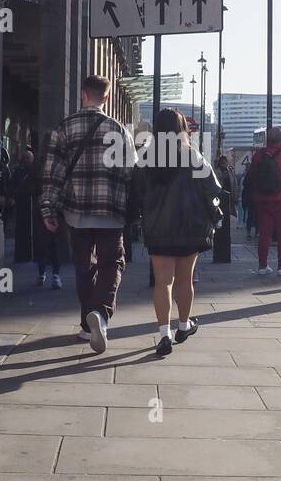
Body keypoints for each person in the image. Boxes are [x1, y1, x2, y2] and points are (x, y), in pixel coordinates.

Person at [40, 75, 136, 353]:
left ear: (83, 94)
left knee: (84, 266)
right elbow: (130, 173)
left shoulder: (64, 127)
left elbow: (52, 173)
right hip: (110, 211)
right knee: (112, 263)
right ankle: (101, 315)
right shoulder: (119, 130)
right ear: (106, 98)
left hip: (76, 211)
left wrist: (48, 208)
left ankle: (86, 324)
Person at [134, 110, 226, 357]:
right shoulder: (193, 155)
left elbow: (137, 191)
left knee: (163, 282)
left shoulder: (146, 157)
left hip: (158, 228)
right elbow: (214, 188)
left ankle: (164, 334)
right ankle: (183, 326)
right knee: (186, 280)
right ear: (182, 128)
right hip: (190, 227)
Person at [249, 127, 281, 276]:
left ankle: (262, 266)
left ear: (267, 140)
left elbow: (252, 174)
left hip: (262, 198)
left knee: (264, 233)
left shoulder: (258, 156)